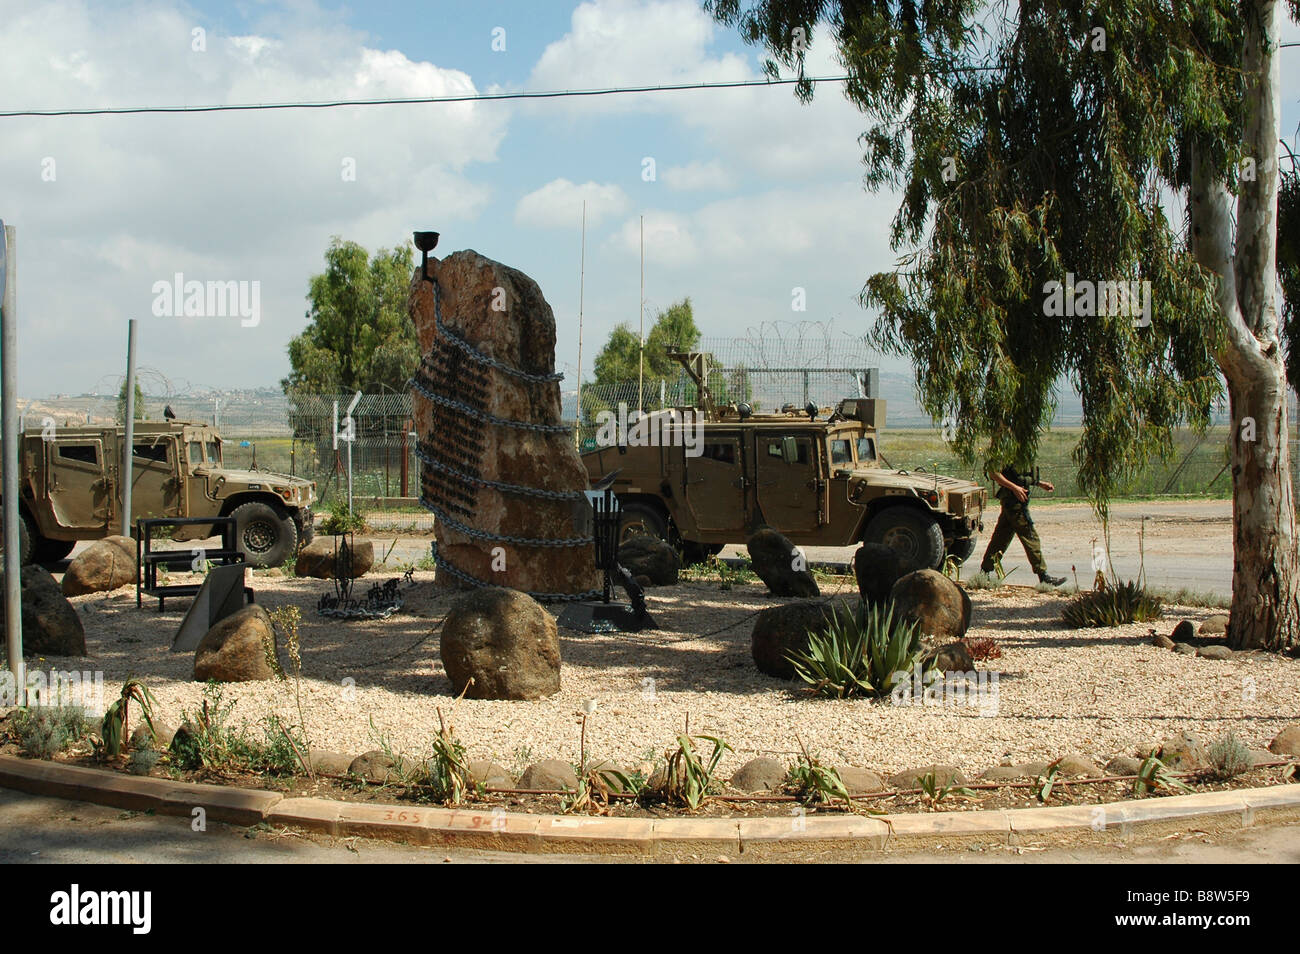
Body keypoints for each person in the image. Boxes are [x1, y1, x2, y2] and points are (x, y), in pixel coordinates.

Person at [979, 463, 1066, 585]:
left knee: (1000, 538)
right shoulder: (1006, 451)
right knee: (1030, 536)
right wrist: (1014, 488)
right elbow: (994, 473)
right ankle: (1043, 576)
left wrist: (1040, 483)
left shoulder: (1019, 453)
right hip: (1013, 502)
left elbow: (1021, 477)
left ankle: (984, 572)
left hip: (1014, 502)